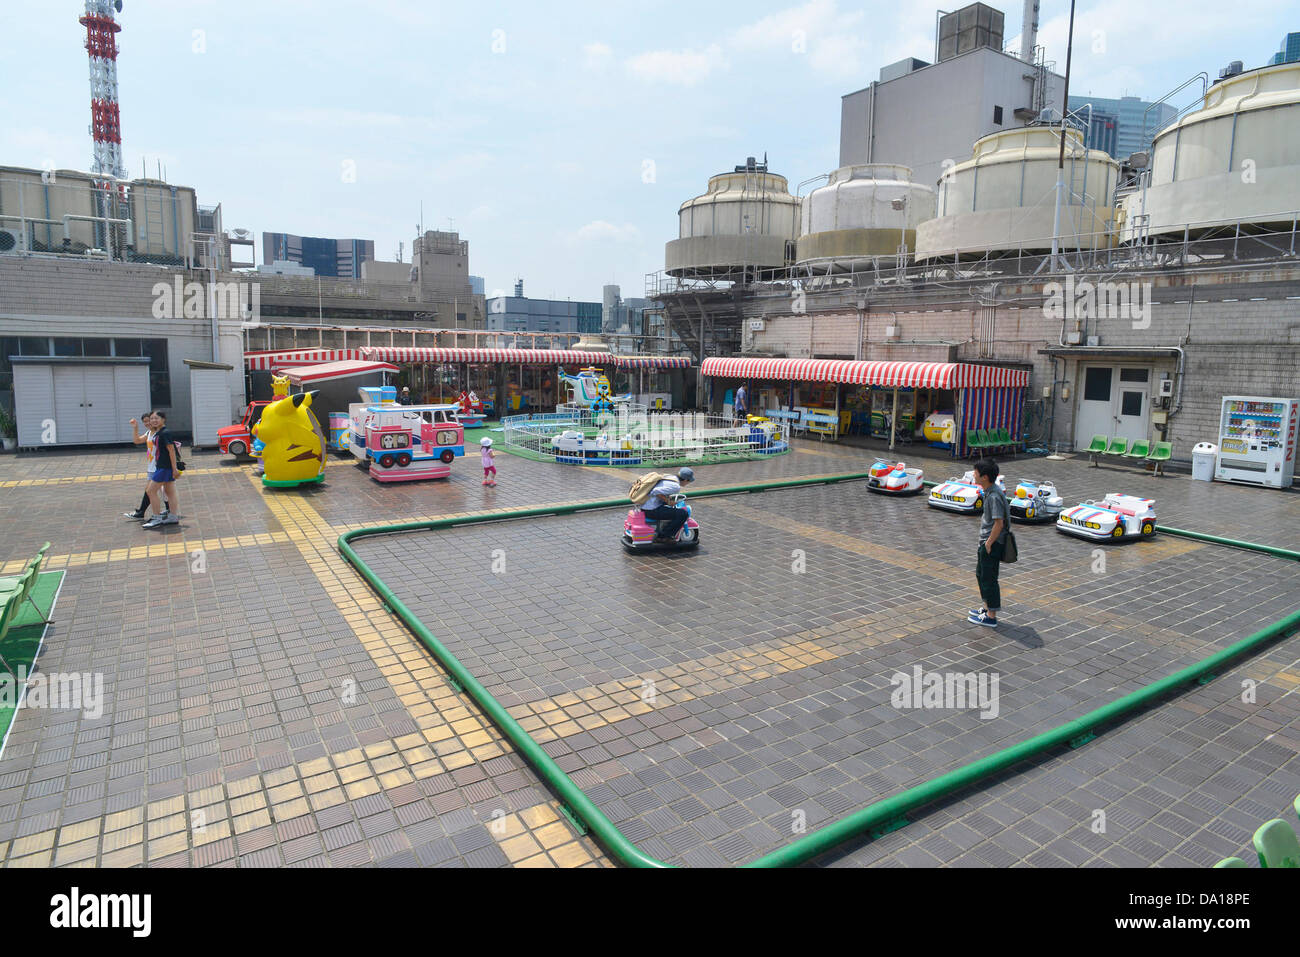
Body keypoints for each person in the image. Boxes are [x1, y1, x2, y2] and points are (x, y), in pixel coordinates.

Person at [969, 458, 1008, 627]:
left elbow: (999, 523)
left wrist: (989, 543)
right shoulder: (990, 492)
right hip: (987, 541)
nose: (973, 475)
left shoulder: (994, 496)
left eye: (976, 473)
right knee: (981, 575)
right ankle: (986, 608)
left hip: (991, 543)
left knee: (989, 578)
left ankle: (991, 616)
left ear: (984, 477)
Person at [124, 412, 169, 520]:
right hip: (151, 467)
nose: (147, 423)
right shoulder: (149, 433)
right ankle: (168, 510)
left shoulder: (160, 433)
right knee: (161, 490)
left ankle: (145, 513)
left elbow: (169, 449)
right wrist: (135, 428)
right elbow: (137, 440)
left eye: (149, 420)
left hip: (159, 467)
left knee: (152, 490)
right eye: (144, 422)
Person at [142, 411, 181, 528]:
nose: (154, 421)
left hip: (165, 467)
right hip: (163, 466)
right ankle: (173, 517)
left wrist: (174, 469)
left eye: (156, 418)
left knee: (150, 491)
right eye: (152, 418)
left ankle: (156, 518)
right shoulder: (159, 432)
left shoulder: (165, 433)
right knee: (170, 492)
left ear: (163, 419)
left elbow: (171, 450)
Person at [641, 467, 695, 542]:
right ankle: (664, 536)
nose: (688, 483)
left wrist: (667, 500)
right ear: (686, 480)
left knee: (672, 510)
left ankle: (663, 531)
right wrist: (668, 501)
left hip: (646, 505)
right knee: (683, 514)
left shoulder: (671, 477)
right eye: (689, 481)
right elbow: (655, 491)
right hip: (651, 510)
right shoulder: (676, 486)